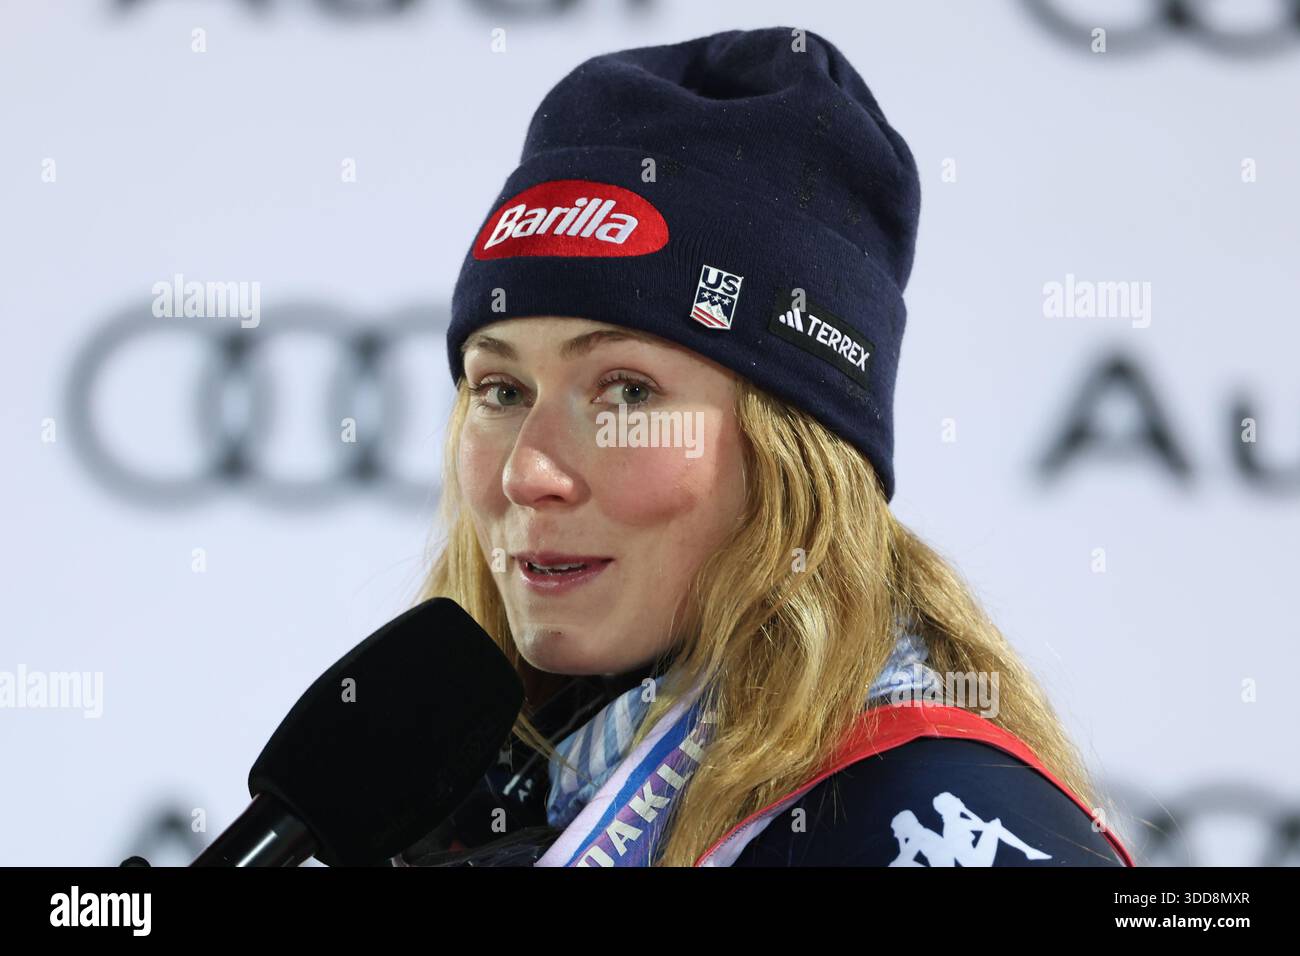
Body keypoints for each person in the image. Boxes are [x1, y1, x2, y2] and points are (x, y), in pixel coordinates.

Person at [394, 26, 1135, 868]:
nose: (529, 472)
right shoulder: (485, 794)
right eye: (501, 392)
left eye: (628, 393)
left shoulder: (933, 822)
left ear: (796, 455)